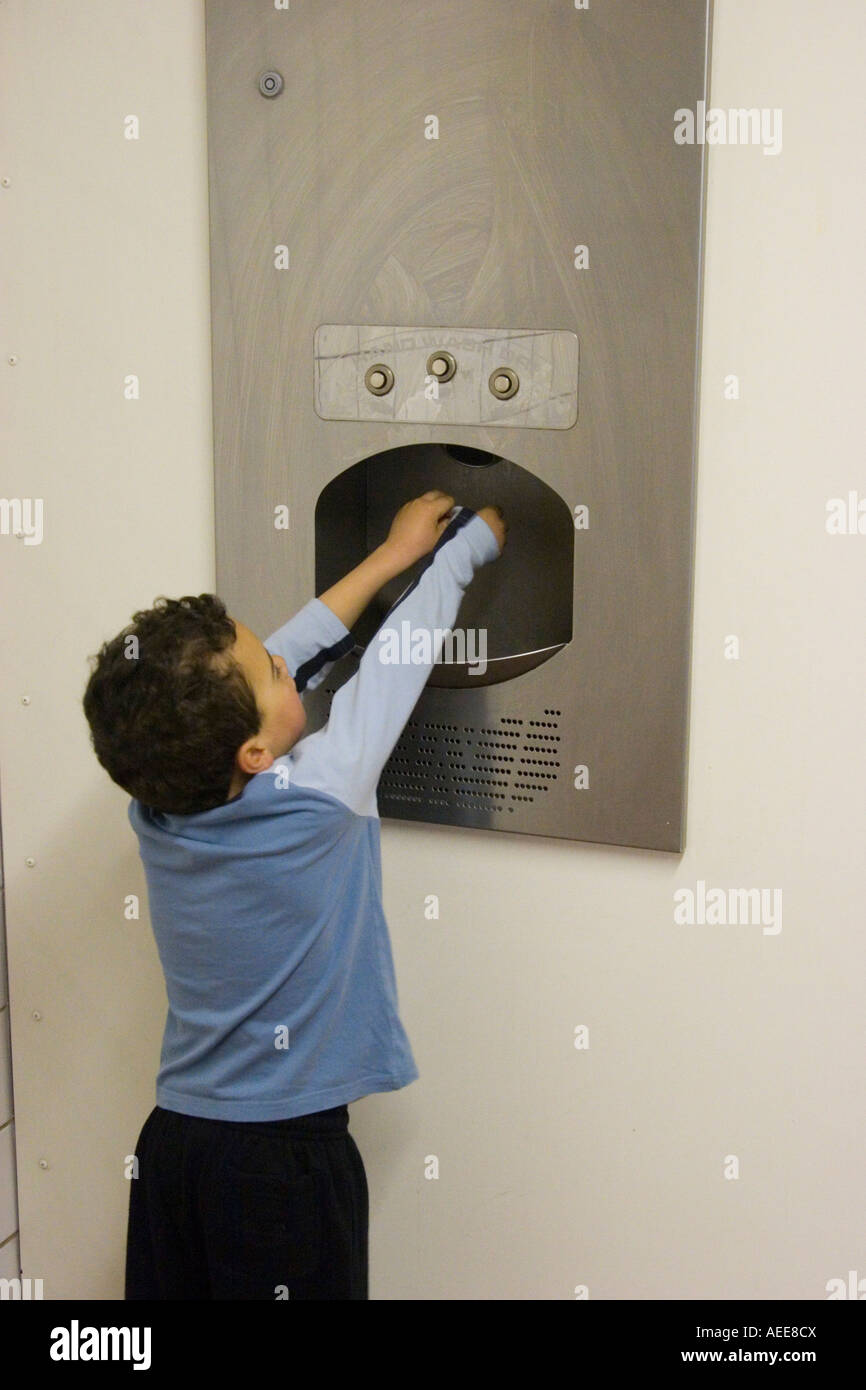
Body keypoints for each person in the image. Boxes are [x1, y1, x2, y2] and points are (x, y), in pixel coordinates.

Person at [82, 491, 506, 1299]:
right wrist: (468, 546)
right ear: (249, 748)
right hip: (284, 1167)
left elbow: (273, 674)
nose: (283, 659)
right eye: (268, 666)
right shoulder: (324, 796)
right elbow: (395, 662)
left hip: (173, 1150)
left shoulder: (159, 803)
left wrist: (390, 554)